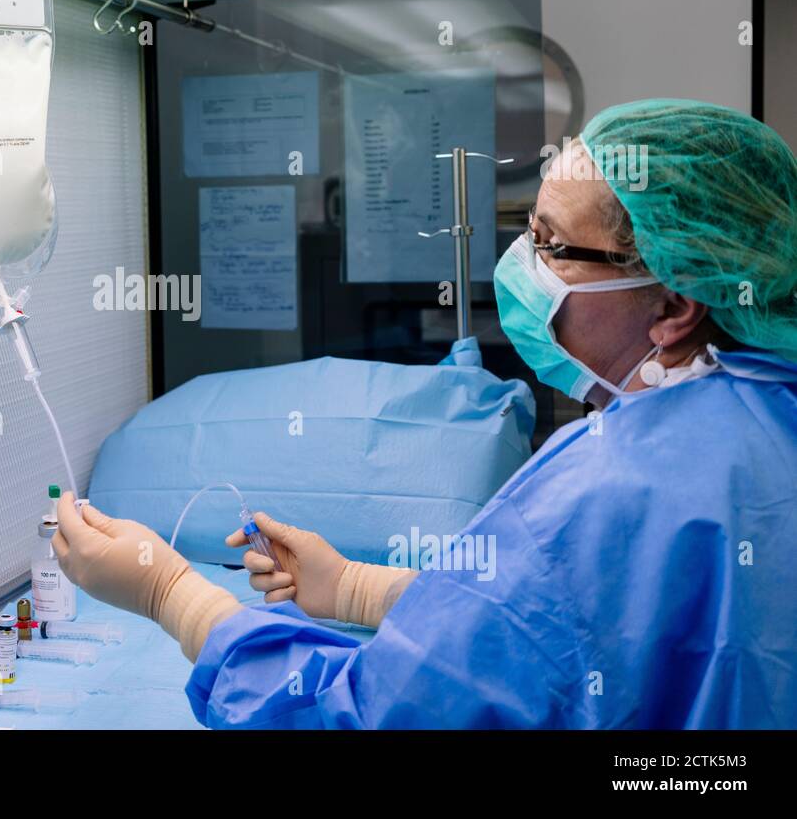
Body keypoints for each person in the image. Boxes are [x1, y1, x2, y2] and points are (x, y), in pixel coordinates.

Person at [54, 99, 797, 728]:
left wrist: (173, 597)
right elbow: (582, 625)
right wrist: (357, 589)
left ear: (673, 305)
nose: (521, 266)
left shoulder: (618, 479)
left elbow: (366, 716)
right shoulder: (770, 413)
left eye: (550, 245)